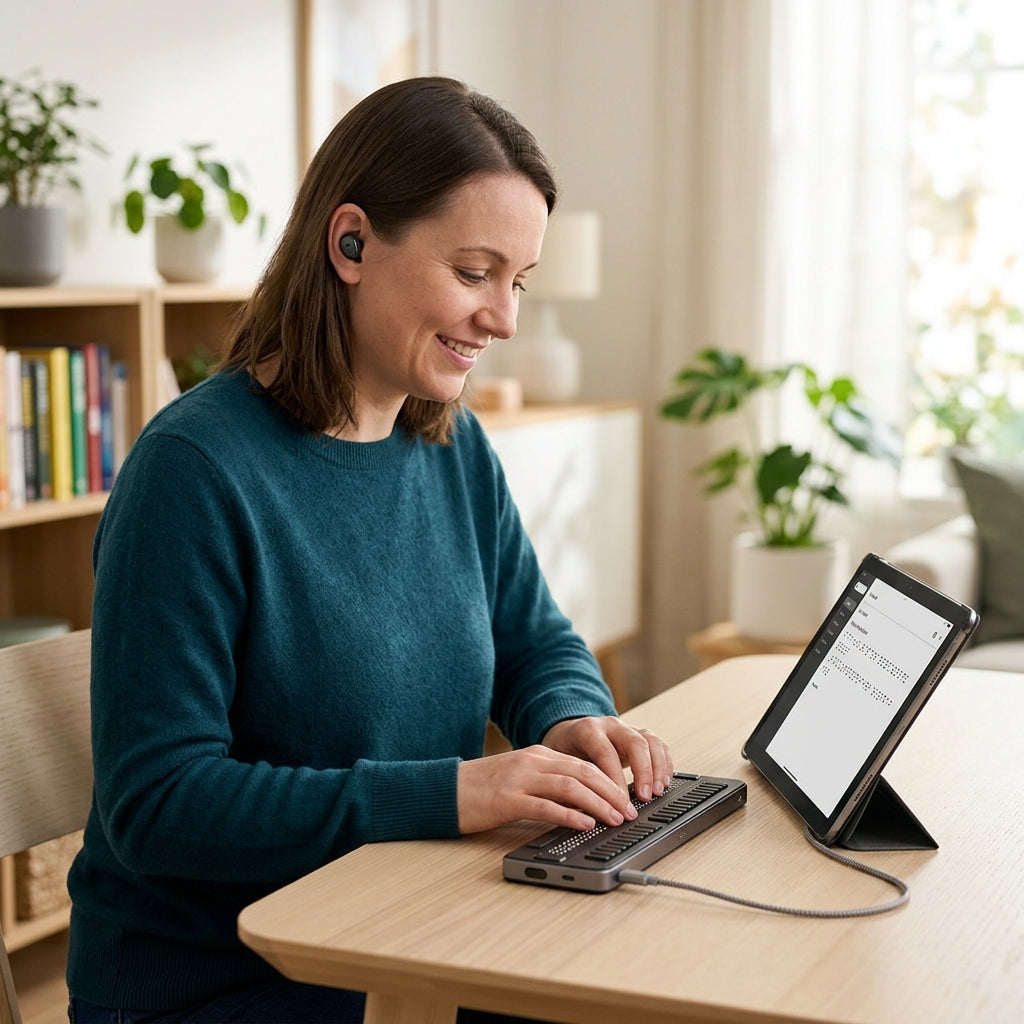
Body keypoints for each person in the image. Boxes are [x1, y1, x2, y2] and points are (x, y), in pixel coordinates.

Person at [66, 76, 673, 1024]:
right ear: (350, 243)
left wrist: (567, 722)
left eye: (519, 282)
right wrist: (449, 795)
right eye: (474, 274)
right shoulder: (193, 473)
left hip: (409, 933)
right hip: (229, 983)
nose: (504, 319)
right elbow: (160, 804)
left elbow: (535, 642)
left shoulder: (448, 442)